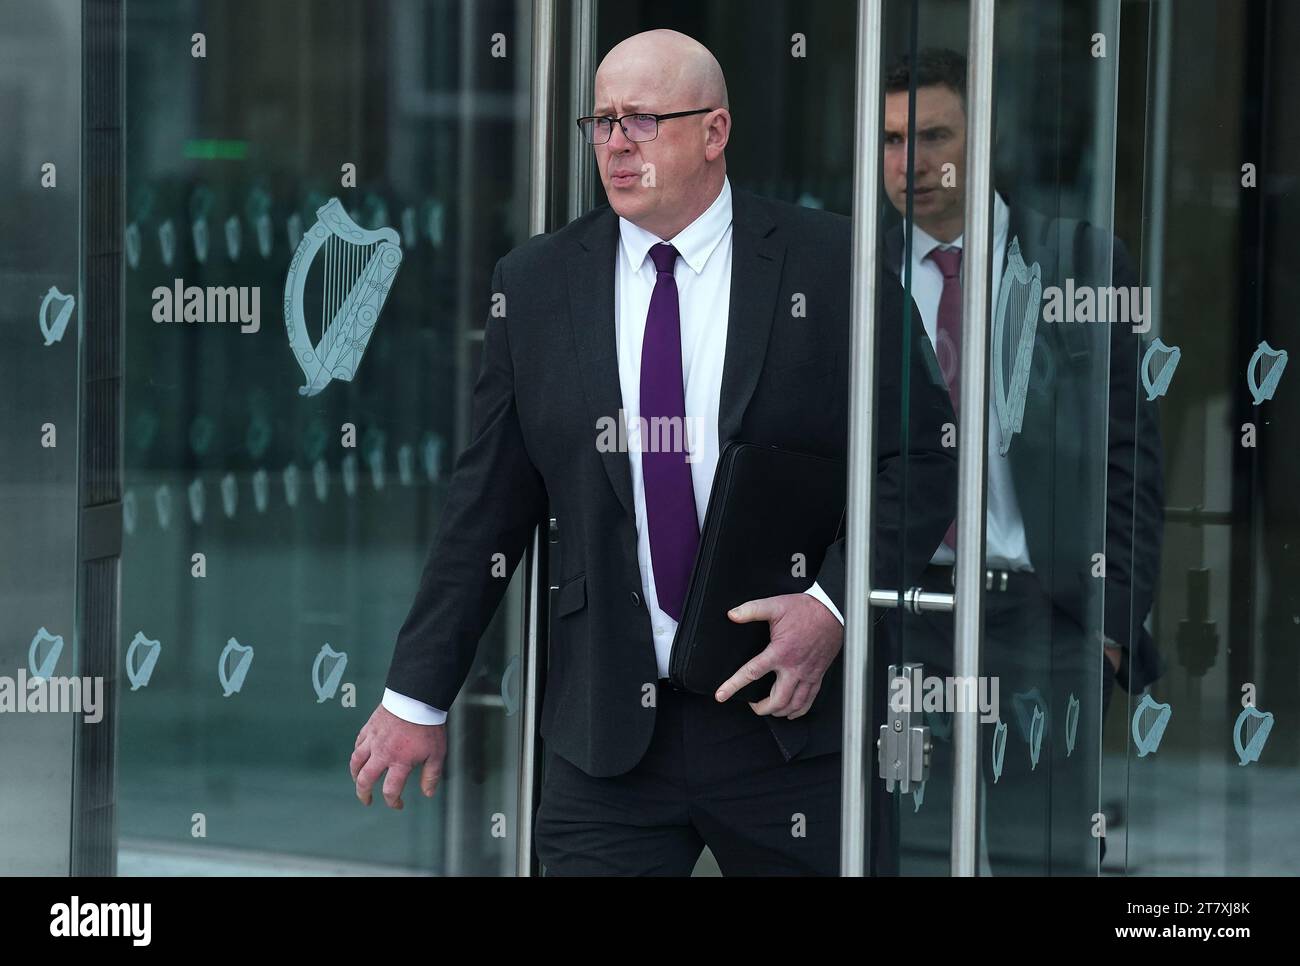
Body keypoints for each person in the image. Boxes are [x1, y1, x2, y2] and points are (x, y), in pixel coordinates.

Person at [349, 28, 957, 876]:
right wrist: (415, 695)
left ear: (715, 132)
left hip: (789, 727)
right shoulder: (536, 284)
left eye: (641, 120)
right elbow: (487, 502)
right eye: (600, 123)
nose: (615, 145)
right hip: (606, 736)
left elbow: (925, 455)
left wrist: (833, 605)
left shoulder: (833, 265)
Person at [878, 47, 1165, 874]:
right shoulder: (851, 275)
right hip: (904, 620)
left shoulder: (1080, 266)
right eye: (894, 141)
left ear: (987, 135)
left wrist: (1106, 632)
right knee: (909, 850)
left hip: (1045, 620)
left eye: (934, 135)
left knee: (1042, 858)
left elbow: (1130, 457)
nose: (913, 164)